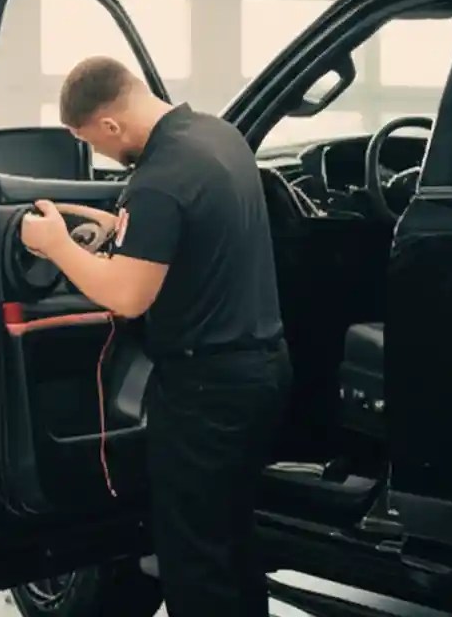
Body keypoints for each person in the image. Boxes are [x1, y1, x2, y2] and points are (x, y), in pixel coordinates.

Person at [20, 55, 292, 616]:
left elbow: (126, 296)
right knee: (233, 545)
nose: (100, 155)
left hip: (205, 394)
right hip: (262, 371)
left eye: (93, 141)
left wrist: (56, 246)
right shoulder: (221, 137)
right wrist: (126, 236)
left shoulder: (159, 180)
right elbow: (196, 243)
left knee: (195, 561)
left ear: (112, 125)